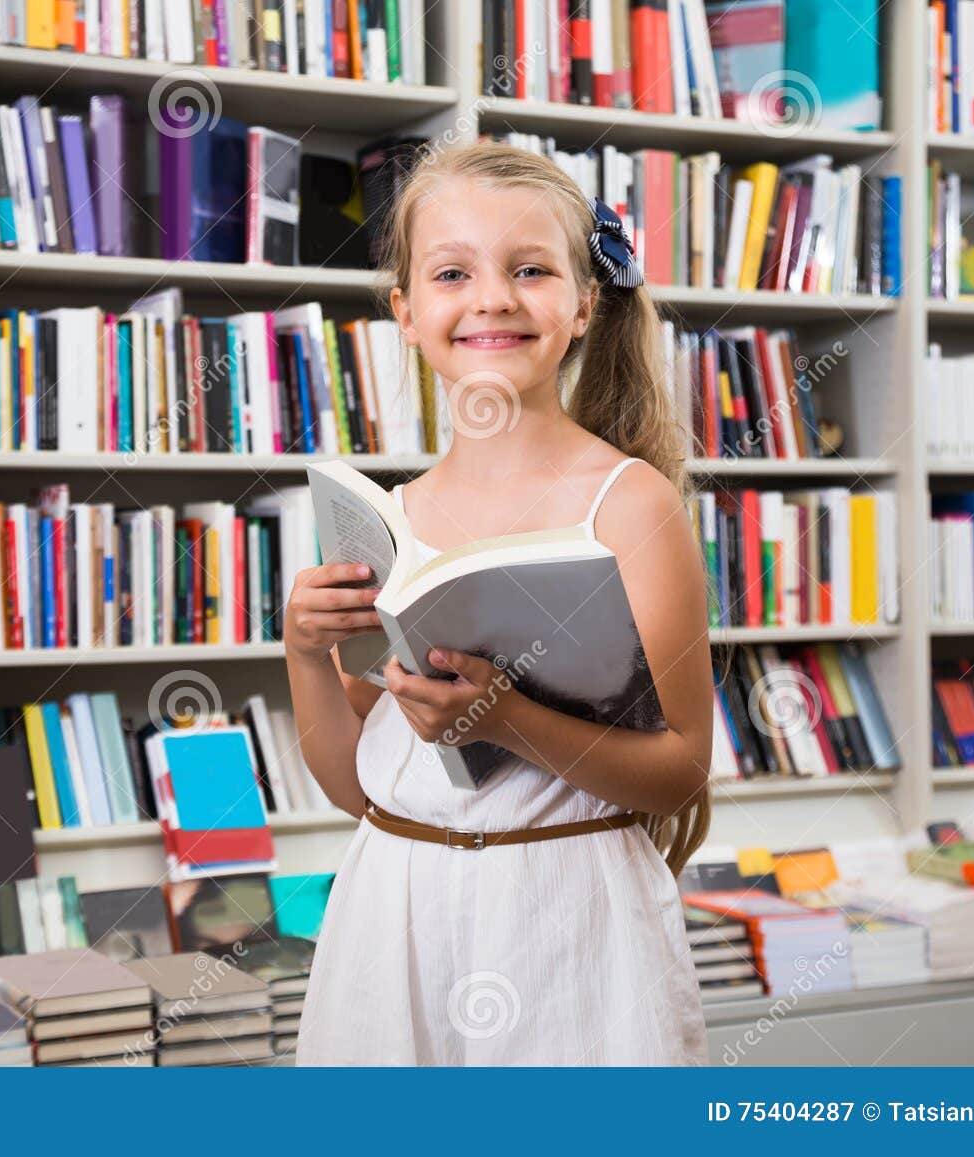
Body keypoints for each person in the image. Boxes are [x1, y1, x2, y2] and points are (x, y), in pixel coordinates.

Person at [285, 142, 713, 1065]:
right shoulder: (385, 522)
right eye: (451, 273)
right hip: (392, 919)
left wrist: (506, 716)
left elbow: (681, 770)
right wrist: (303, 656)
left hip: (571, 922)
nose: (493, 299)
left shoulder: (632, 504)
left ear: (585, 302)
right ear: (405, 312)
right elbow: (363, 789)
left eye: (530, 270)